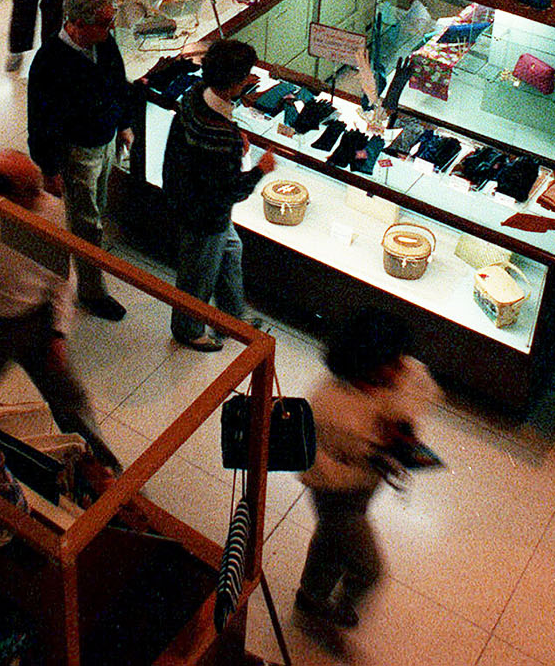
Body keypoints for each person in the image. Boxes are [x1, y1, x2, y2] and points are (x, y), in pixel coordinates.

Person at [0, 149, 119, 467]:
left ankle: (105, 470)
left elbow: (62, 276)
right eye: (30, 190)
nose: (43, 194)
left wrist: (58, 332)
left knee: (72, 404)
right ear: (1, 198)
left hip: (39, 323)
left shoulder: (49, 211)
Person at [294, 310, 438, 642]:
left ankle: (311, 595)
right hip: (335, 493)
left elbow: (418, 388)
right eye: (392, 362)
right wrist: (381, 447)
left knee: (329, 543)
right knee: (368, 568)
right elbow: (328, 460)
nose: (402, 369)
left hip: (359, 489)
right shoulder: (330, 405)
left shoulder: (390, 378)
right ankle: (341, 607)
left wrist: (402, 425)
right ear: (364, 364)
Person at [27, 0, 133, 322]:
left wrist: (124, 123)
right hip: (78, 152)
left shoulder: (103, 43)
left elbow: (118, 81)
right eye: (103, 23)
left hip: (105, 140)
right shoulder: (49, 63)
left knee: (96, 207)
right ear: (75, 23)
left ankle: (94, 254)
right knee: (85, 221)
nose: (110, 29)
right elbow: (41, 121)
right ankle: (91, 290)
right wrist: (49, 168)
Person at [162, 37, 274, 351]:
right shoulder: (220, 136)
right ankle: (187, 329)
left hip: (186, 195)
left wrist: (234, 131)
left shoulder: (195, 95)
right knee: (197, 275)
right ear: (234, 84)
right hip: (204, 213)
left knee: (230, 254)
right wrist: (261, 169)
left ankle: (231, 317)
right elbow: (232, 190)